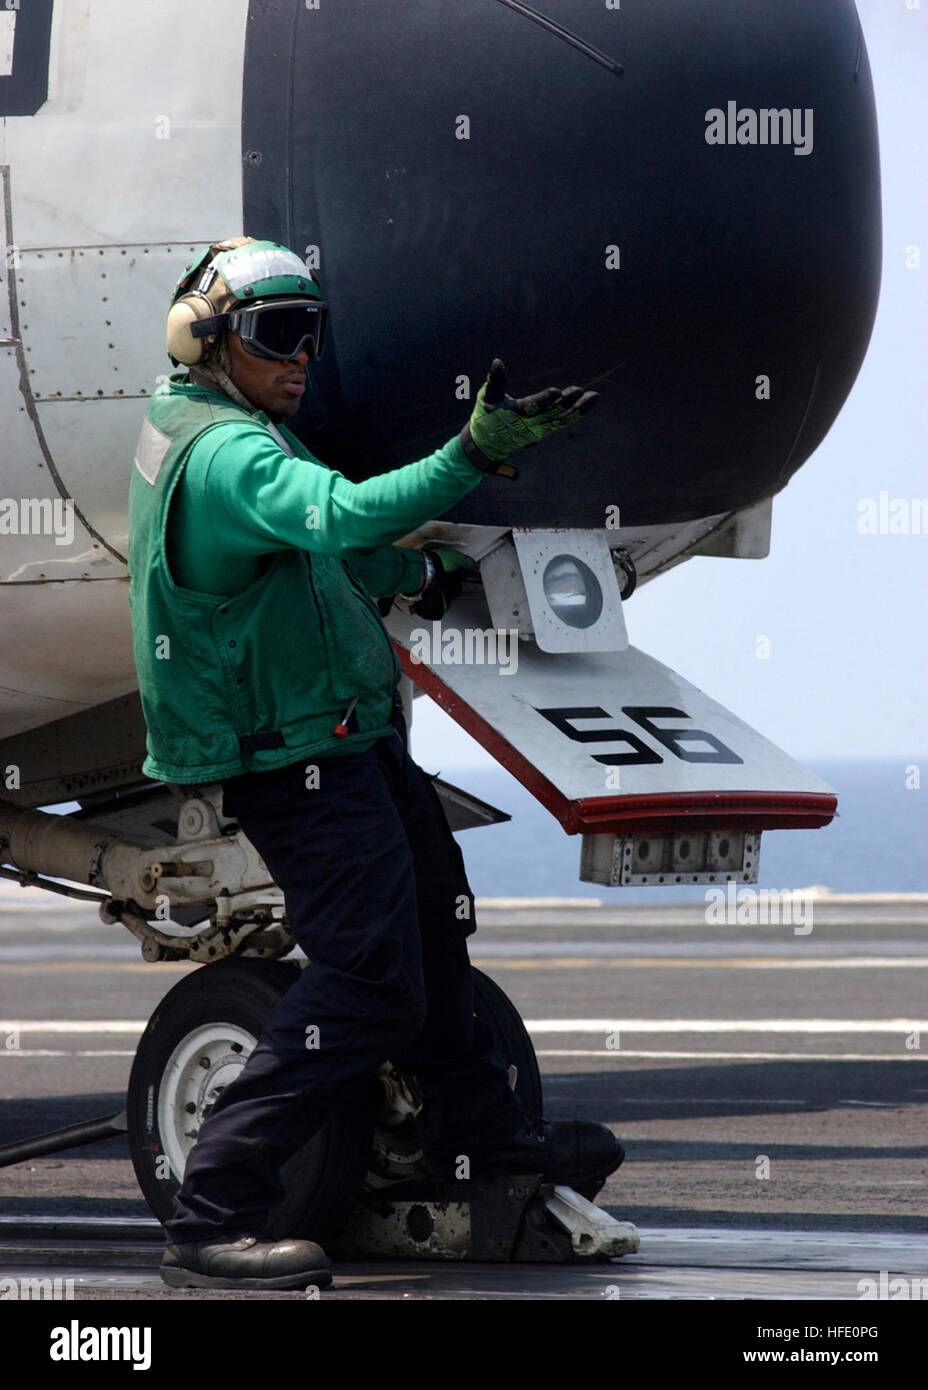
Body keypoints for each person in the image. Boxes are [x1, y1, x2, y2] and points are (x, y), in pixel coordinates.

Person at [127, 236, 623, 1291]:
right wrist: (472, 453)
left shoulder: (242, 429)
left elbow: (332, 546)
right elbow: (337, 512)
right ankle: (211, 1212)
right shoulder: (224, 456)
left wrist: (419, 570)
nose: (301, 354)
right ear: (207, 340)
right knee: (365, 981)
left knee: (436, 932)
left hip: (350, 739)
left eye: (311, 330)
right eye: (275, 334)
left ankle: (478, 1149)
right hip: (298, 758)